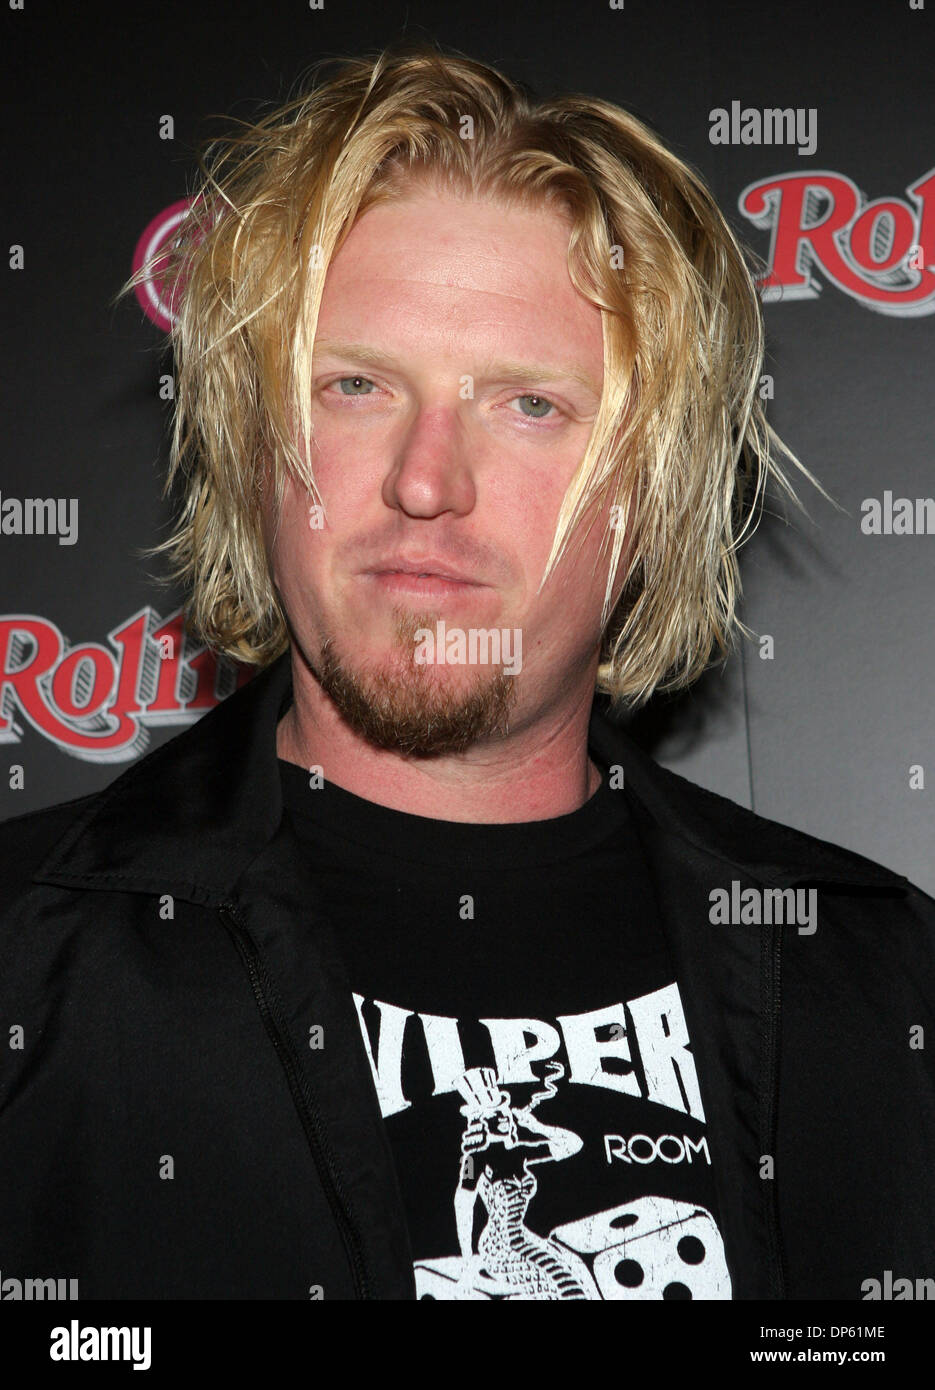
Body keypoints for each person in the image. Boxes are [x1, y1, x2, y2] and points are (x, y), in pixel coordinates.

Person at [1, 42, 933, 1303]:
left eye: (528, 406)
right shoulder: (31, 961)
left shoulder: (875, 987)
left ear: (651, 495)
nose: (423, 480)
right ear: (256, 449)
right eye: (354, 385)